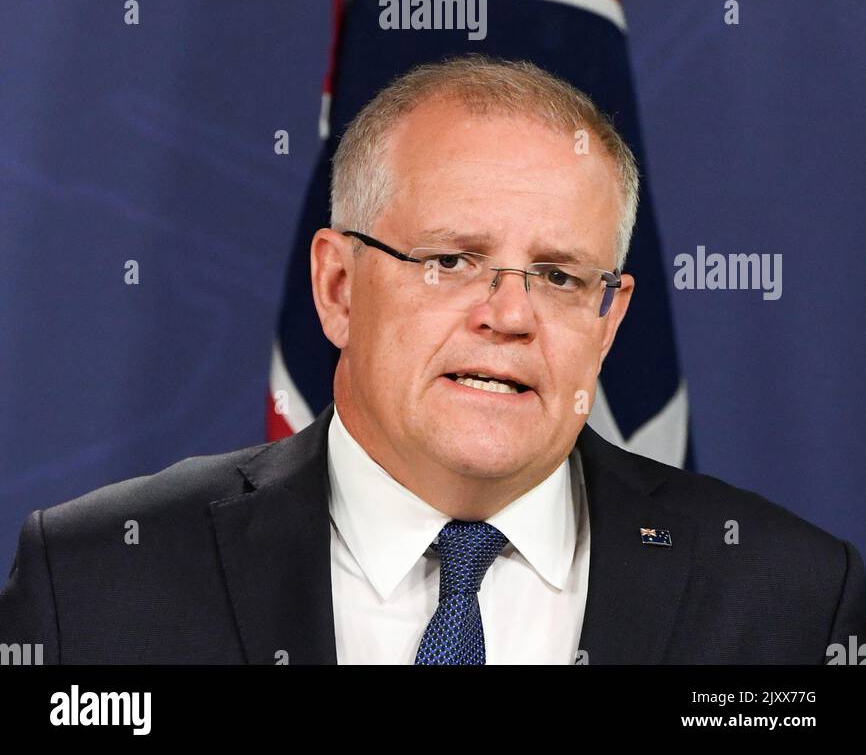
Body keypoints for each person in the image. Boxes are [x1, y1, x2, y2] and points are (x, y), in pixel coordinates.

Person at [0, 55, 863, 664]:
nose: (512, 315)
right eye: (452, 261)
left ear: (608, 320)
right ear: (339, 286)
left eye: (561, 276)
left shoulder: (789, 597)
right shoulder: (98, 578)